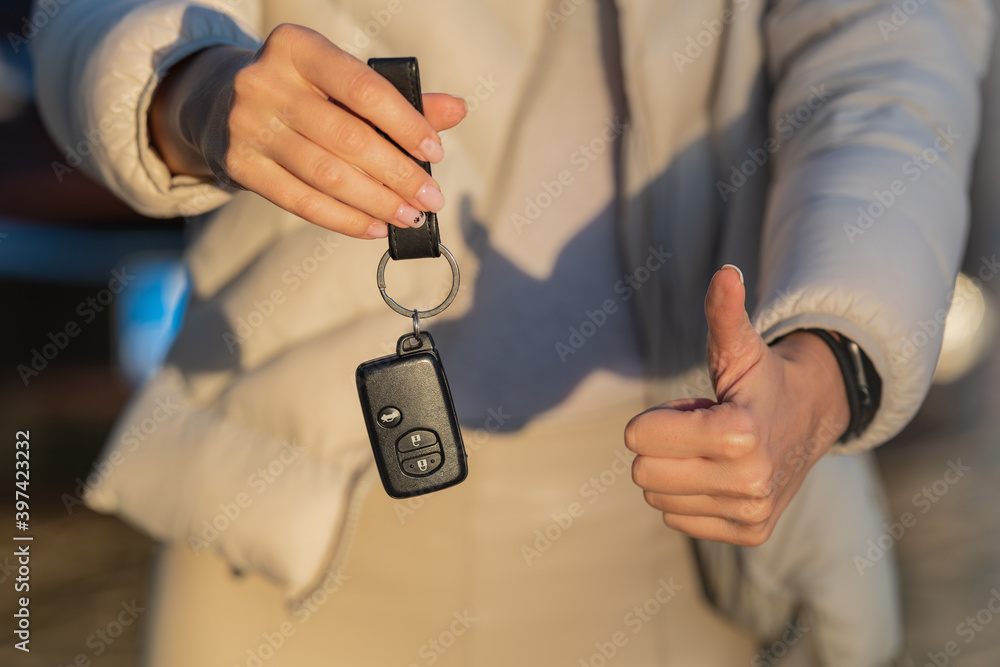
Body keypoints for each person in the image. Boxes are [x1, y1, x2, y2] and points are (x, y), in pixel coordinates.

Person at [32, 0, 993, 664]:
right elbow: (86, 17)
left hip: (682, 535)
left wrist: (826, 364)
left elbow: (890, 74)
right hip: (294, 529)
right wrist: (190, 95)